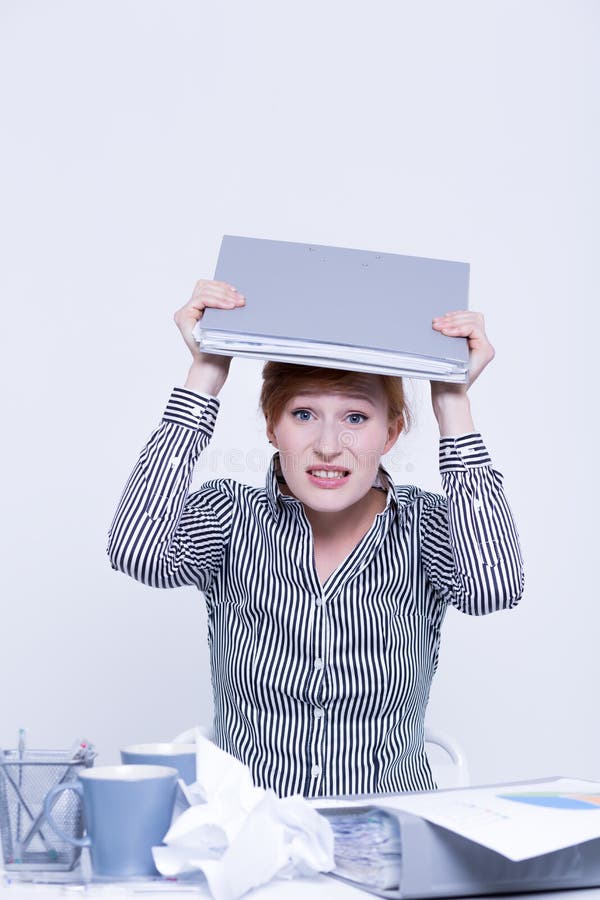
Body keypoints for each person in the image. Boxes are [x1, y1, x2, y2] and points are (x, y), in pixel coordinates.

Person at [107, 279, 524, 798]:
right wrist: (205, 374)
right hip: (252, 835)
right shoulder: (231, 515)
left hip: (389, 832)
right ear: (271, 426)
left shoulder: (425, 525)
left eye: (356, 417)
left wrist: (452, 403)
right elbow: (135, 551)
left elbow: (496, 588)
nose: (329, 446)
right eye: (303, 415)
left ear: (390, 434)